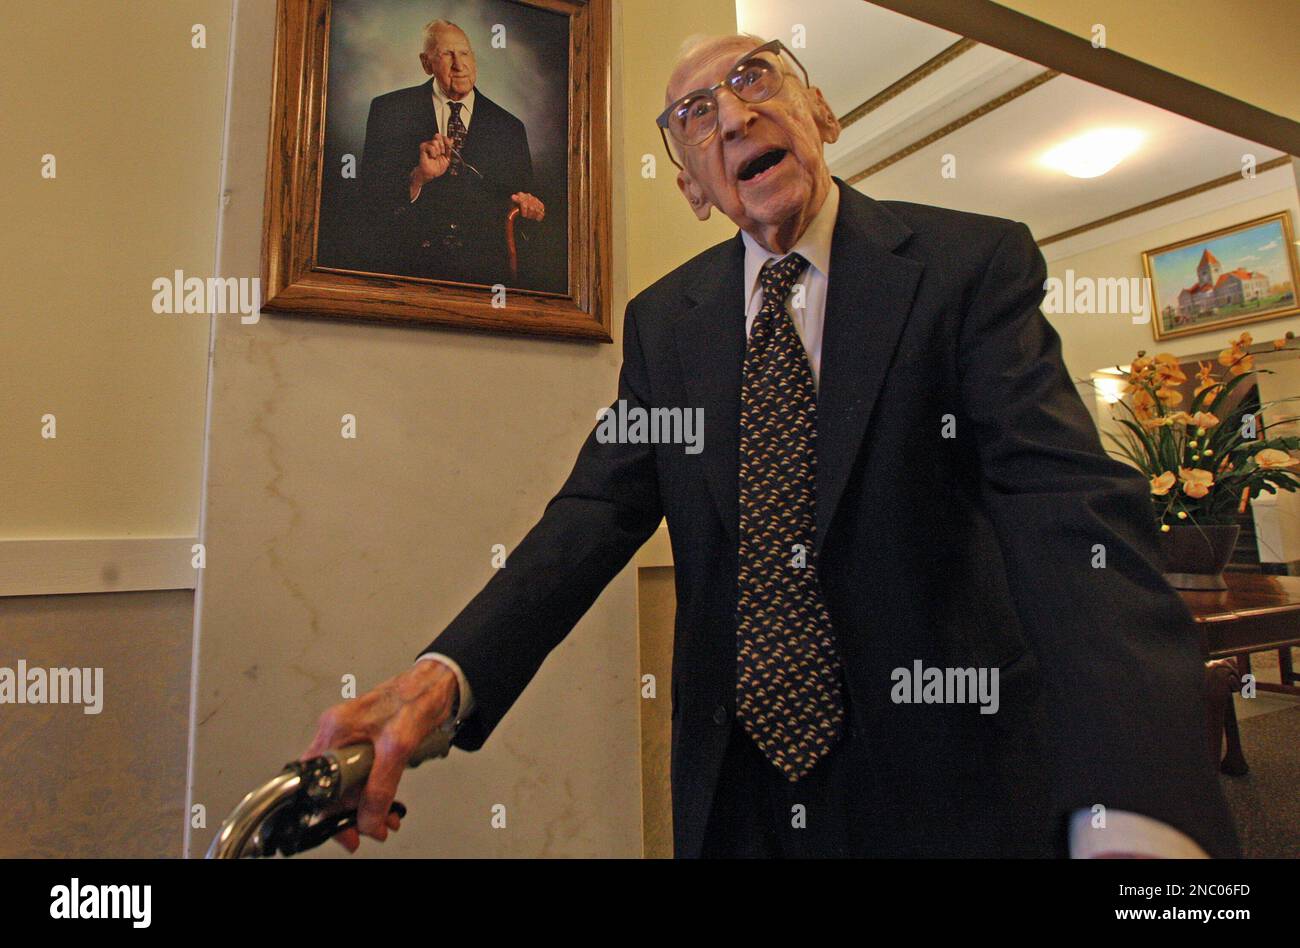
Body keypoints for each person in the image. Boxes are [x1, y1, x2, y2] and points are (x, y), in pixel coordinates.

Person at [306, 33, 1238, 859]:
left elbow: (1065, 512)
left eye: (757, 79)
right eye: (696, 114)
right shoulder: (668, 323)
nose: (735, 114)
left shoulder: (968, 269)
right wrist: (446, 675)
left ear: (819, 112)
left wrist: (1136, 801)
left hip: (951, 779)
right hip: (739, 792)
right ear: (692, 186)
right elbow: (594, 512)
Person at [357, 19, 544, 285]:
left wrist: (530, 208)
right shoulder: (389, 111)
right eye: (447, 54)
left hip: (483, 280)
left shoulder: (510, 127)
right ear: (426, 63)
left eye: (465, 53)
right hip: (406, 274)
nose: (459, 65)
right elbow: (368, 202)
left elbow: (526, 211)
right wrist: (417, 179)